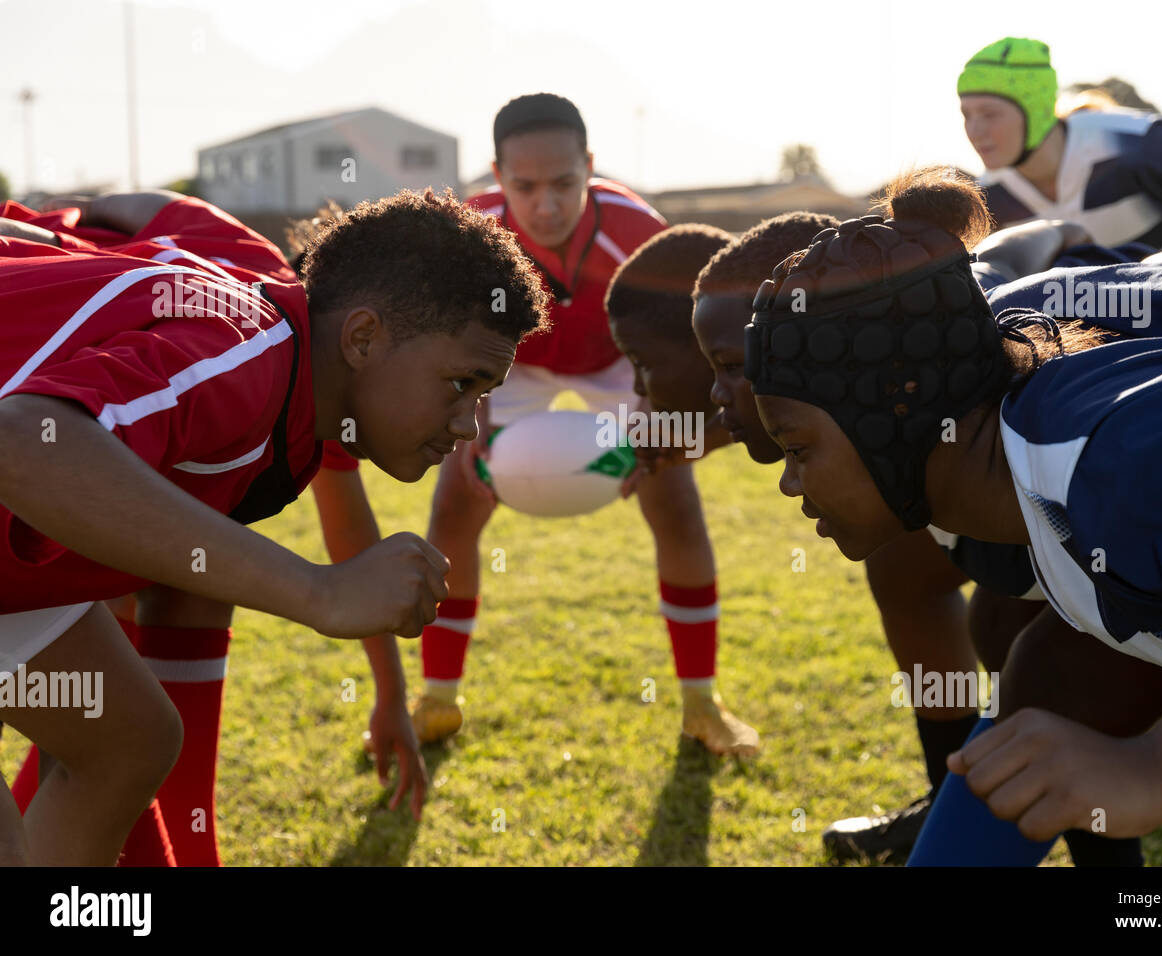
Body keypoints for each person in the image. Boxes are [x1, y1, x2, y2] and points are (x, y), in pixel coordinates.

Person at [745, 168, 1162, 864]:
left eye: (798, 447)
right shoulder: (1040, 474)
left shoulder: (1105, 453)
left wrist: (1158, 768)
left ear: (894, 410)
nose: (789, 482)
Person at [0, 186, 546, 864]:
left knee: (126, 743)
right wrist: (318, 591)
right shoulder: (248, 350)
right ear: (364, 337)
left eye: (484, 395)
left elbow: (144, 211)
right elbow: (26, 443)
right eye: (462, 383)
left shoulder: (273, 313)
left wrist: (48, 240)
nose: (468, 424)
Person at [414, 93, 759, 756]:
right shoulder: (468, 234)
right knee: (456, 501)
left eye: (564, 184)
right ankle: (438, 697)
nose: (545, 206)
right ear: (495, 174)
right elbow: (450, 342)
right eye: (525, 187)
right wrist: (472, 411)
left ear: (591, 166)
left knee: (674, 498)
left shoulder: (639, 232)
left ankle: (699, 702)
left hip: (619, 364)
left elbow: (672, 349)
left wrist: (656, 428)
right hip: (511, 363)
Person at [958, 36, 1162, 256]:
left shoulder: (1132, 142)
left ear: (1036, 110)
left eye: (990, 114)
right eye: (966, 115)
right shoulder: (989, 197)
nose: (974, 130)